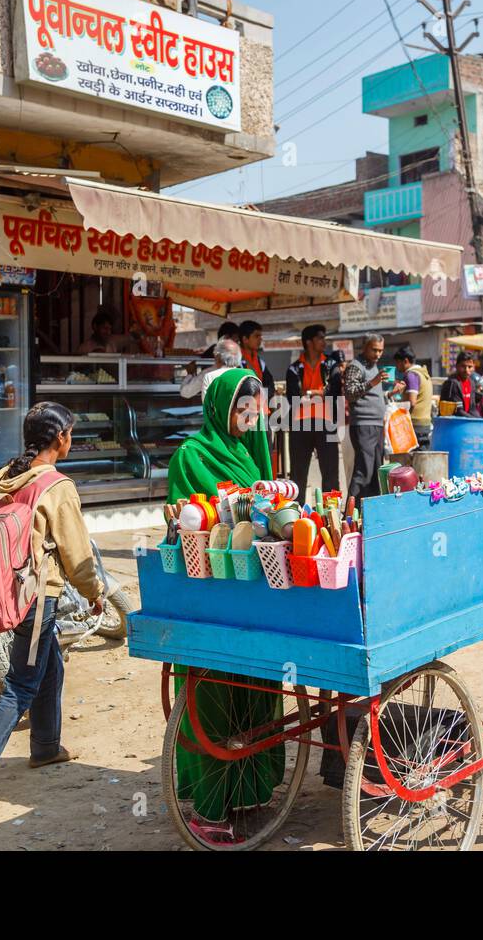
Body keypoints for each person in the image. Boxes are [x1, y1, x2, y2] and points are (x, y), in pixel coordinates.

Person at [0, 402, 105, 816]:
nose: (71, 440)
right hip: (37, 598)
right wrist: (95, 591)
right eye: (70, 433)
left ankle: (46, 746)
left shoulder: (3, 477)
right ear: (60, 439)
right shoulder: (56, 486)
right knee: (21, 683)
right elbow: (77, 555)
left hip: (8, 592)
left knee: (49, 663)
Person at [166, 369, 282, 842]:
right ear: (217, 406)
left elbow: (271, 509)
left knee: (258, 690)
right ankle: (210, 810)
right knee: (211, 698)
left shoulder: (253, 453)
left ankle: (250, 790)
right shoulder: (190, 456)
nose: (247, 418)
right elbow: (188, 523)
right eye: (240, 409)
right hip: (209, 594)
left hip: (253, 591)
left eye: (253, 410)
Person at [285, 324, 344, 493]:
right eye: (320, 338)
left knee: (331, 472)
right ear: (309, 342)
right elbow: (294, 398)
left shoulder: (332, 365)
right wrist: (320, 394)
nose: (324, 341)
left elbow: (334, 392)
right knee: (298, 473)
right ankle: (295, 513)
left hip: (327, 424)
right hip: (300, 425)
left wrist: (309, 393)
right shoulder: (294, 368)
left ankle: (332, 512)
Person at [343, 333, 389, 500]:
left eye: (380, 351)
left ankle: (369, 512)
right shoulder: (355, 366)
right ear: (365, 348)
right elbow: (350, 393)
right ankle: (349, 513)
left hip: (376, 424)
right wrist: (373, 382)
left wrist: (390, 393)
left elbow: (372, 397)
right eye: (374, 350)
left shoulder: (373, 367)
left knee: (376, 472)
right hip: (364, 424)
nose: (378, 354)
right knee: (364, 470)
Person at [440, 351, 483, 424]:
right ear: (457, 366)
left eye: (469, 367)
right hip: (453, 424)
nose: (466, 370)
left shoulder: (471, 383)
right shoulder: (452, 383)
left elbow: (472, 408)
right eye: (463, 366)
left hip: (466, 421)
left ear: (473, 367)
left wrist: (480, 420)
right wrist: (478, 422)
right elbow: (458, 411)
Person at [392, 344, 434, 449]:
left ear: (405, 361)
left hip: (415, 423)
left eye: (397, 363)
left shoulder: (411, 375)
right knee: (421, 457)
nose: (396, 366)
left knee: (414, 458)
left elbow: (412, 402)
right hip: (425, 422)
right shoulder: (423, 373)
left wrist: (395, 406)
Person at [237, 319, 275, 393]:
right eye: (256, 336)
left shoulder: (260, 362)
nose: (260, 339)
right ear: (245, 339)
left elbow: (270, 385)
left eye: (260, 336)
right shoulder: (235, 361)